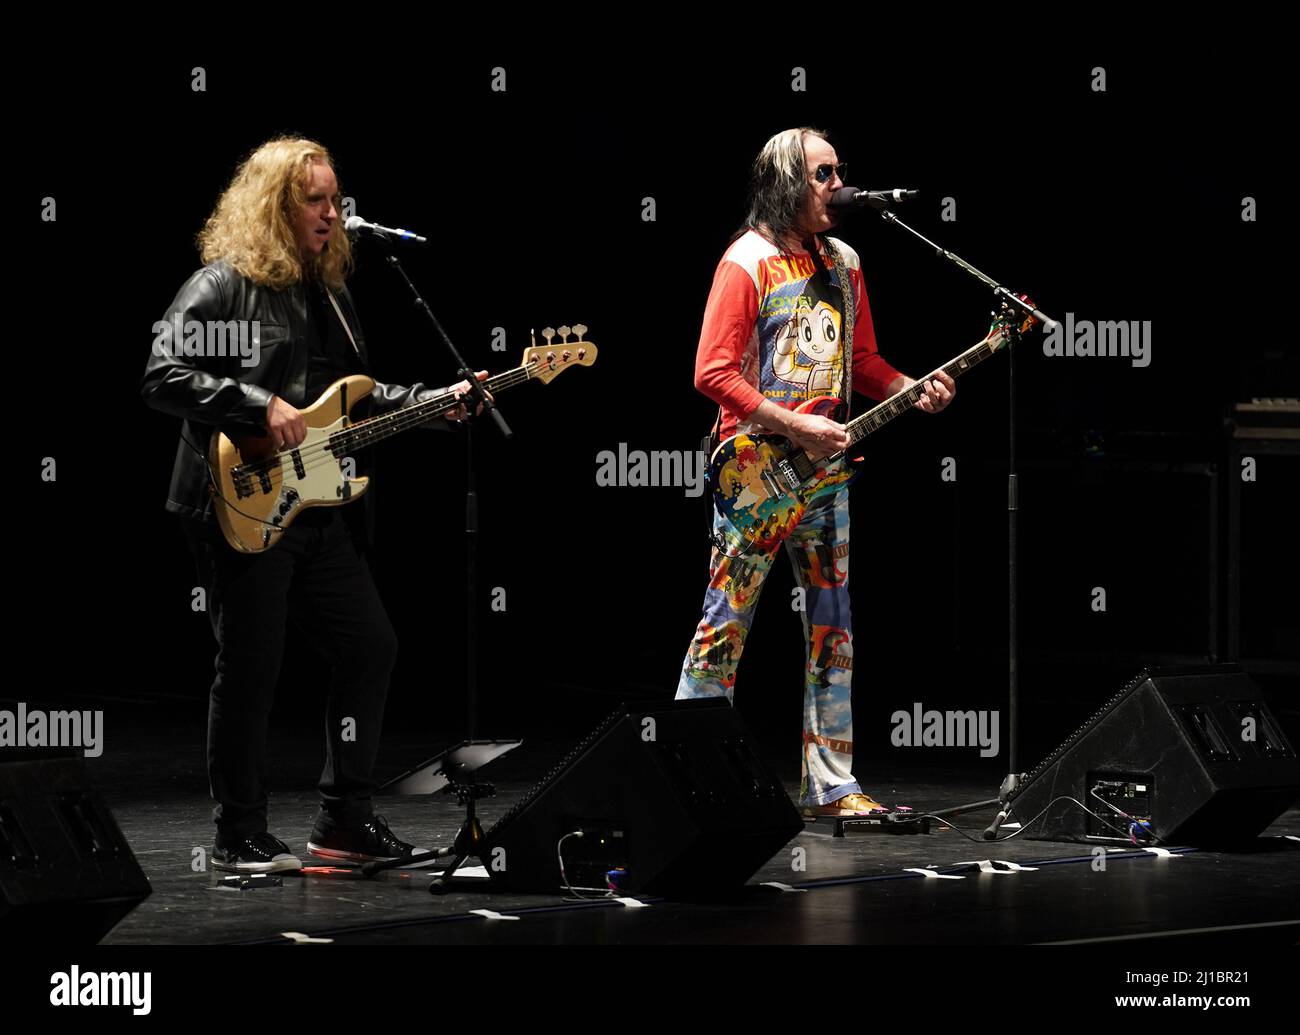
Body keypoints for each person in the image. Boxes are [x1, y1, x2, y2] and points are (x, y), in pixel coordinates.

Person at [142, 136, 480, 872]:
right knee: (253, 663)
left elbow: (350, 398)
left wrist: (430, 402)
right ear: (277, 206)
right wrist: (255, 403)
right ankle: (238, 832)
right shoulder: (223, 285)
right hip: (236, 500)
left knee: (370, 645)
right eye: (317, 200)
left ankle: (344, 821)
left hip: (317, 500)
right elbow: (160, 373)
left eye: (337, 199)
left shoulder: (328, 289)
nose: (334, 213)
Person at [676, 127, 956, 817]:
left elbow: (863, 359)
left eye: (839, 172)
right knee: (724, 626)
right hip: (757, 473)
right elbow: (710, 371)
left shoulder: (846, 261)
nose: (838, 186)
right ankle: (692, 776)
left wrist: (906, 385)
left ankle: (832, 782)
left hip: (828, 476)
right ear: (784, 183)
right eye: (822, 175)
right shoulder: (745, 262)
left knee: (834, 624)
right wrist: (794, 422)